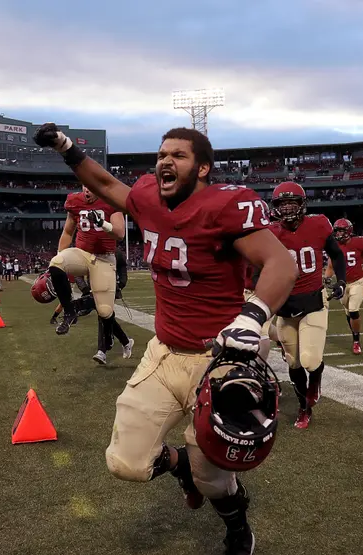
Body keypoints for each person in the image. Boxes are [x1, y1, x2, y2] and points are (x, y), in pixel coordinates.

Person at [34, 122, 297, 555]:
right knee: (126, 463)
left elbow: (280, 264)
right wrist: (66, 148)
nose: (165, 161)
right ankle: (180, 469)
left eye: (178, 155)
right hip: (163, 353)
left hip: (219, 356)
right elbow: (103, 182)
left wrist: (252, 319)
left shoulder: (226, 205)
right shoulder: (148, 197)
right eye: (161, 154)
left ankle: (237, 525)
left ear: (204, 168)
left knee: (214, 476)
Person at [269, 181, 346, 429]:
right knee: (293, 363)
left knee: (310, 360)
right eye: (283, 203)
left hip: (313, 301)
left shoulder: (318, 224)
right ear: (276, 207)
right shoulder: (269, 233)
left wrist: (341, 280)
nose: (288, 208)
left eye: (293, 202)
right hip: (284, 306)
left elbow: (336, 253)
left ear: (303, 205)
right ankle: (304, 408)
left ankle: (315, 380)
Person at [46, 183, 126, 346]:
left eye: (91, 186)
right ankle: (70, 313)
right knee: (56, 262)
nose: (87, 190)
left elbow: (120, 233)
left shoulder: (111, 201)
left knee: (104, 311)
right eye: (85, 186)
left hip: (104, 258)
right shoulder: (75, 201)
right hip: (83, 253)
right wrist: (58, 267)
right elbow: (68, 232)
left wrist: (102, 223)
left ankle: (119, 339)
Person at [325, 218, 363, 355]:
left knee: (354, 310)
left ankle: (356, 341)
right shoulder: (334, 245)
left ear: (349, 231)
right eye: (337, 231)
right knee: (348, 313)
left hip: (357, 282)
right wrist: (326, 277)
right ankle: (354, 336)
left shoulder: (359, 243)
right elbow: (331, 265)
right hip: (342, 284)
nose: (338, 234)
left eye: (341, 231)